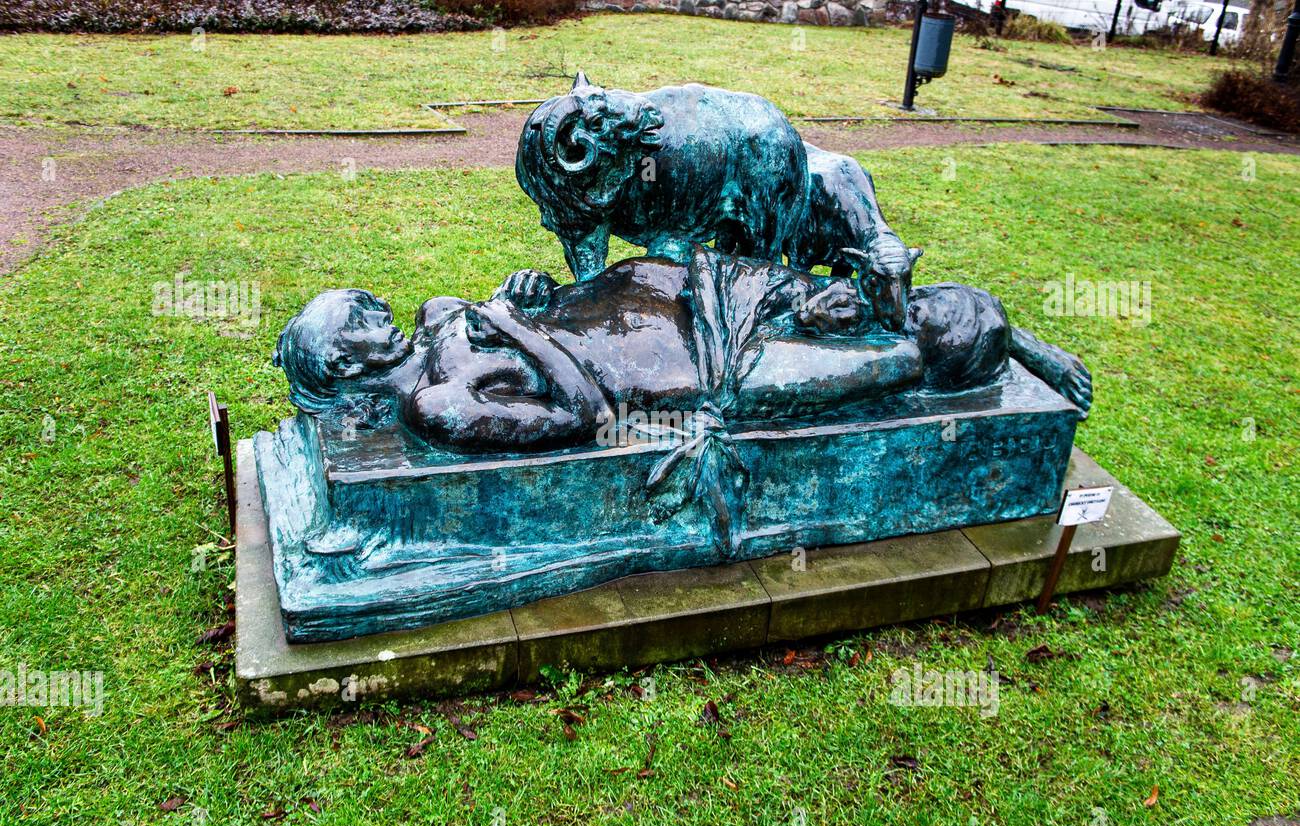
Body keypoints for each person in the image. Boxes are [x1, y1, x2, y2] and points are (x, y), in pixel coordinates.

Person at [272, 245, 1090, 453]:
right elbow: (584, 412)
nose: (377, 303)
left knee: (845, 301)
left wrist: (522, 295)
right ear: (347, 364)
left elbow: (527, 300)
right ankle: (1002, 347)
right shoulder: (435, 405)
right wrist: (516, 324)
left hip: (669, 290)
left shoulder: (440, 314)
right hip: (694, 370)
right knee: (901, 359)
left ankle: (1014, 343)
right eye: (359, 314)